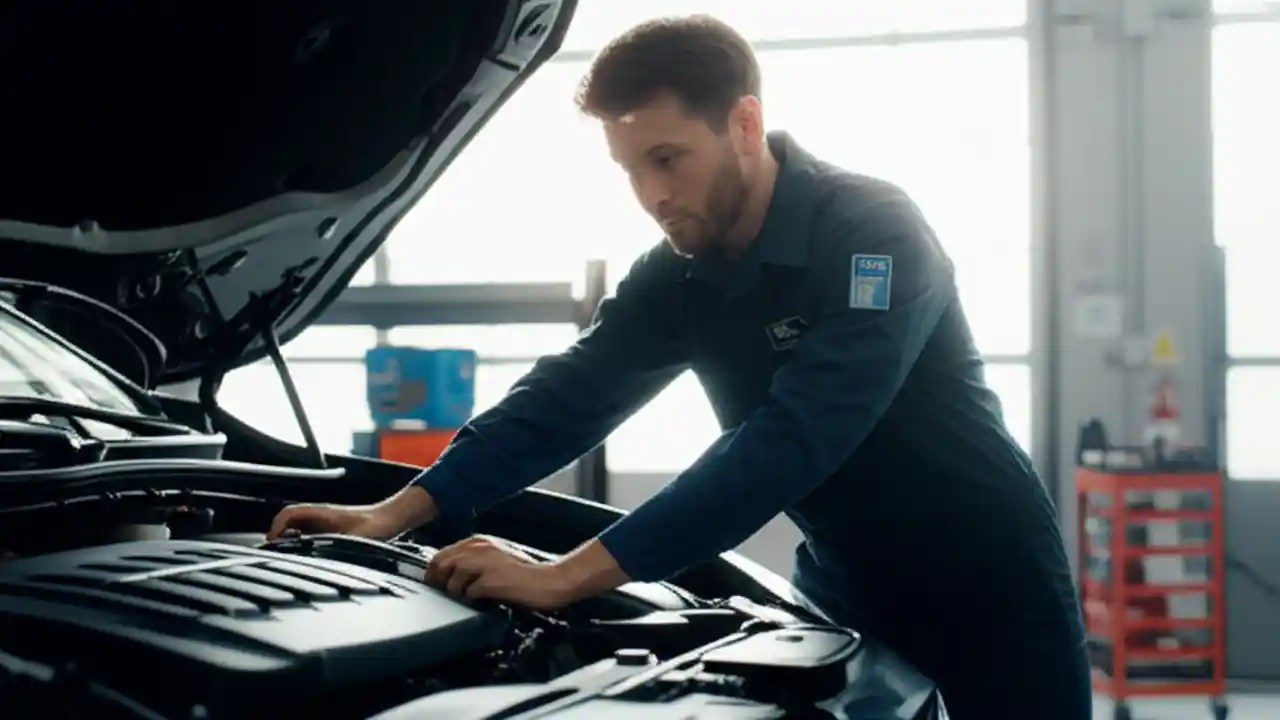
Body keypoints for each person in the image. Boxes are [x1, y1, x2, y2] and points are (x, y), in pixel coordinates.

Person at [269, 15, 1091, 718]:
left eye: (668, 158)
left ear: (743, 124)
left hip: (989, 582)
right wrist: (396, 512)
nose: (651, 193)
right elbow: (568, 396)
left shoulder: (872, 231)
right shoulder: (677, 273)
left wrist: (566, 577)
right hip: (848, 586)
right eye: (630, 168)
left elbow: (797, 435)